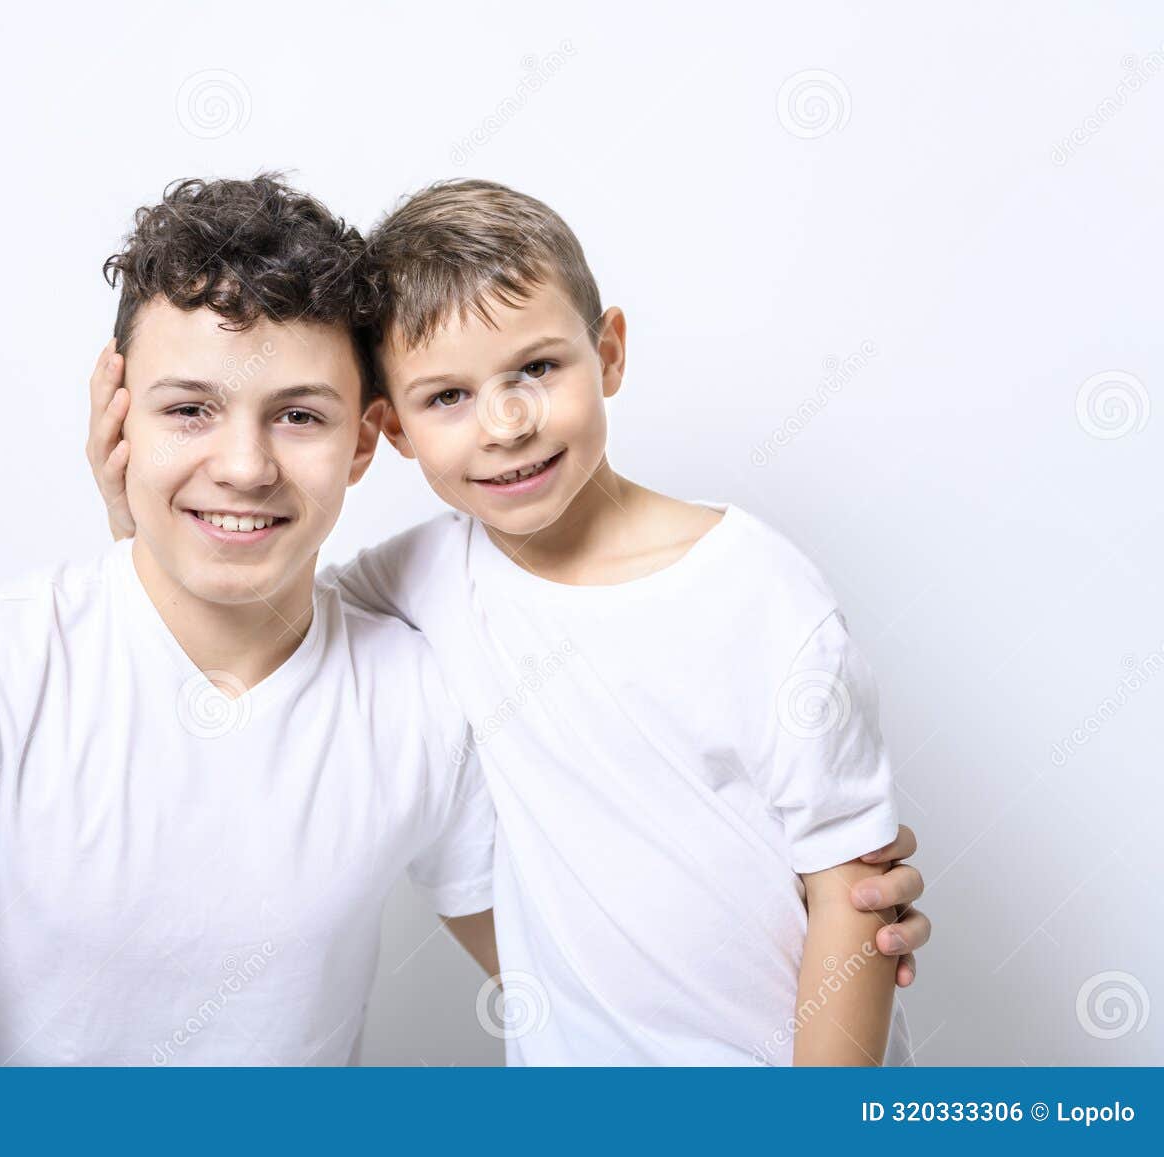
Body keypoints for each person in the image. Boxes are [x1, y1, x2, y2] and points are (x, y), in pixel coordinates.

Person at [88, 178, 933, 1065]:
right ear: (392, 428)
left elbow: (859, 897)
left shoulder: (757, 591)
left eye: (536, 368)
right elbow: (247, 623)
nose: (506, 424)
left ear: (608, 352)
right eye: (446, 396)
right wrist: (135, 513)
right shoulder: (419, 581)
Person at [0, 175, 497, 1067]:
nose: (244, 466)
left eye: (299, 415)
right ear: (117, 419)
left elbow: (572, 994)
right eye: (188, 410)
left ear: (362, 440)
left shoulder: (420, 697)